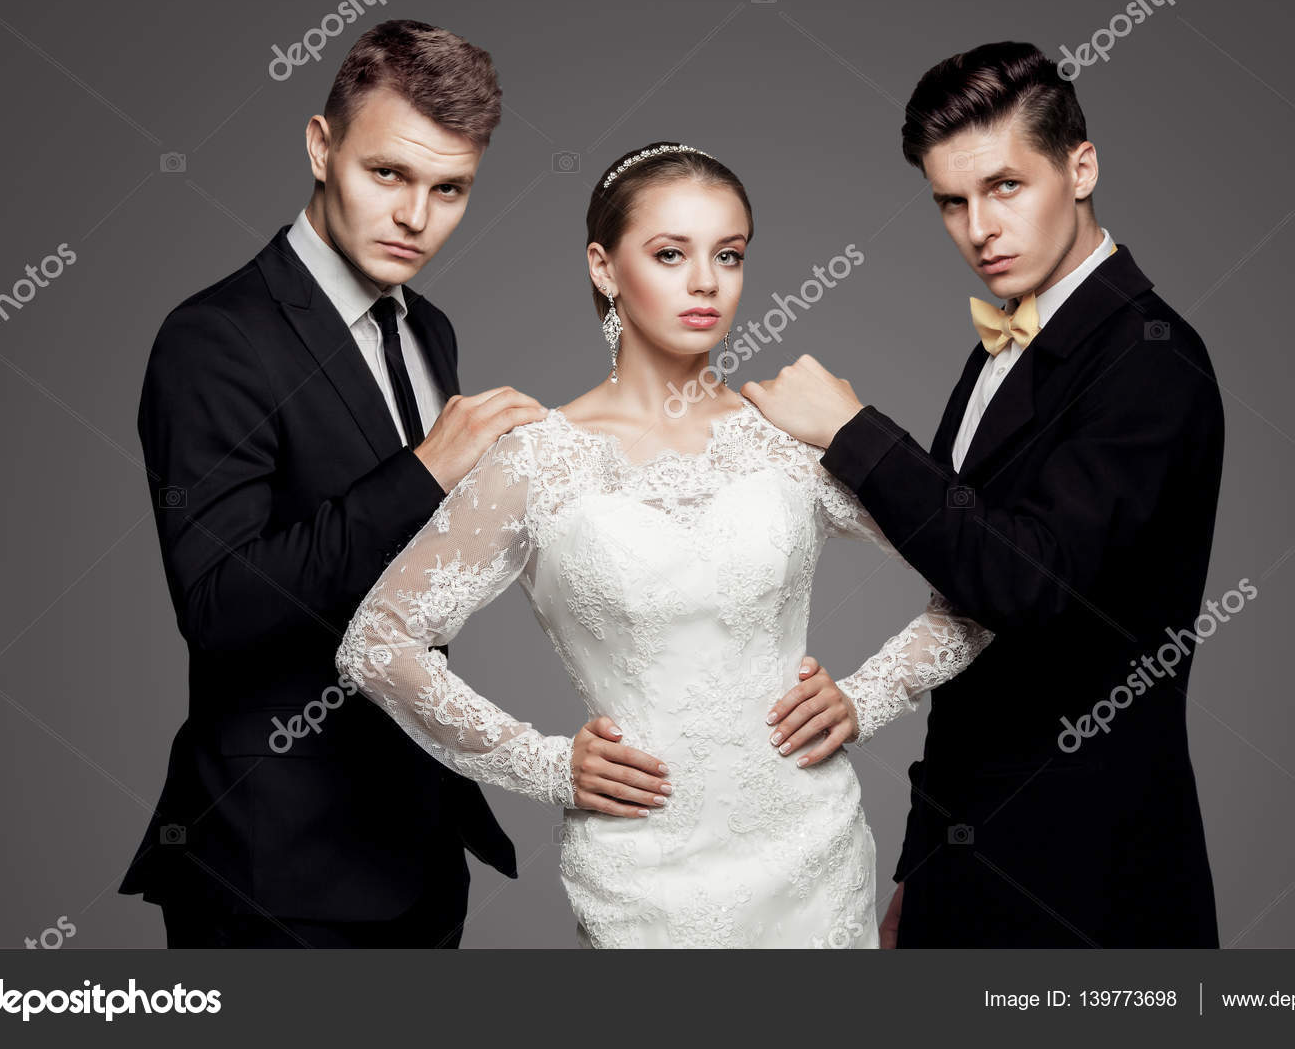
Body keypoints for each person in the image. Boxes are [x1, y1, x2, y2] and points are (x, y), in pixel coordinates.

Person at [333, 141, 995, 948]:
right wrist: (545, 763)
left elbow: (983, 578)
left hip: (811, 852)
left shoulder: (793, 434)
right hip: (642, 873)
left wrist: (868, 695)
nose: (707, 281)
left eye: (730, 254)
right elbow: (376, 641)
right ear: (605, 267)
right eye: (671, 253)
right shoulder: (536, 457)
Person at [744, 41, 1224, 948]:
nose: (979, 229)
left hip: (1089, 877)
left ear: (1080, 167)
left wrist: (852, 431)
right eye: (951, 202)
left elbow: (1025, 582)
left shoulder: (1152, 360)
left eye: (1005, 187)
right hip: (970, 855)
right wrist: (922, 874)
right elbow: (962, 595)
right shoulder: (1005, 346)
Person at [122, 20, 550, 947]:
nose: (415, 216)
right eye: (387, 174)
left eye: (450, 189)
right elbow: (220, 603)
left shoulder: (427, 329)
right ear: (321, 148)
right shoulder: (214, 338)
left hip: (422, 847)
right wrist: (428, 467)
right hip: (274, 861)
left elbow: (411, 576)